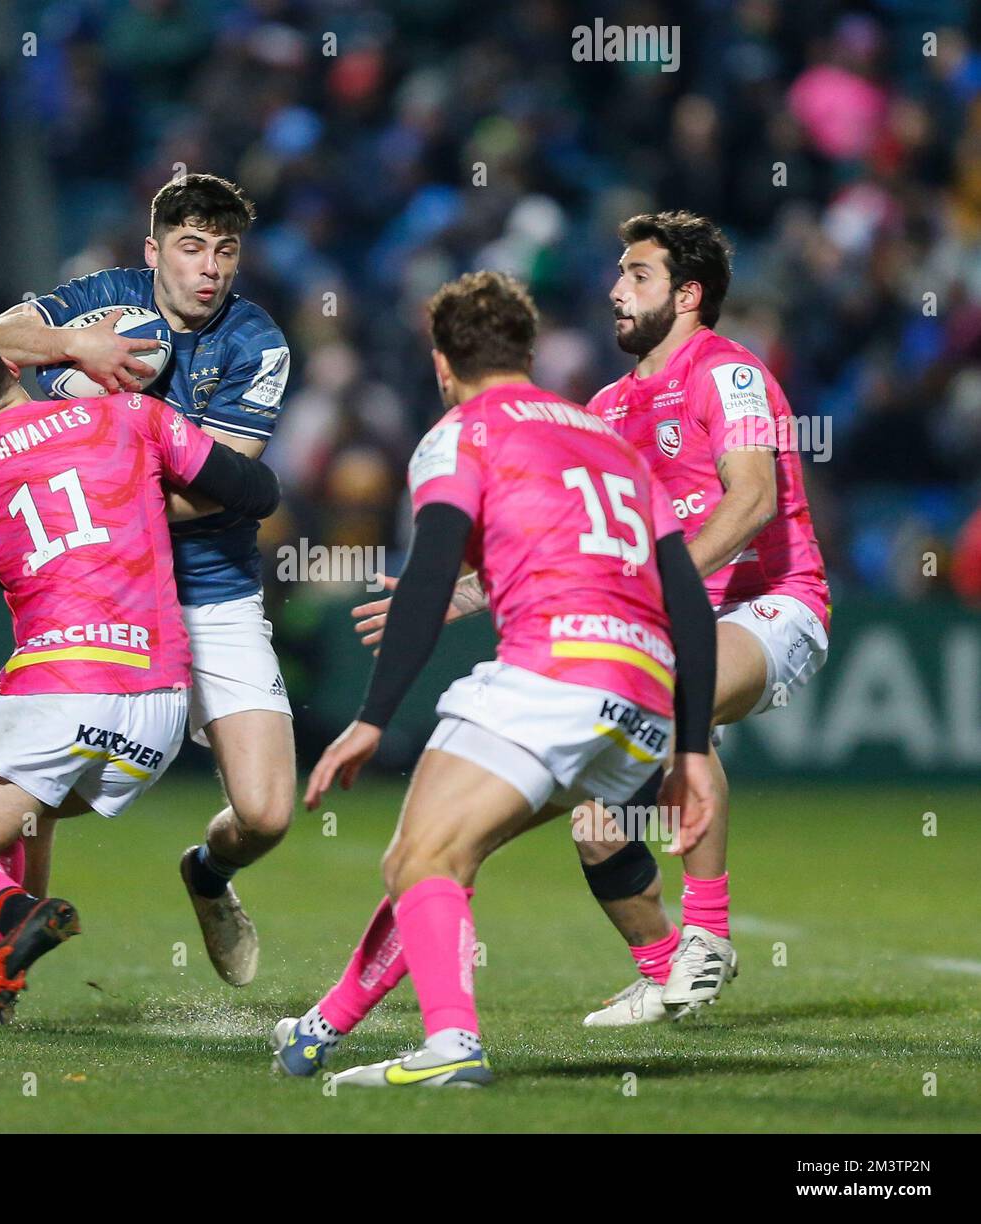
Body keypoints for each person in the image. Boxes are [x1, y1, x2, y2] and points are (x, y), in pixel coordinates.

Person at [354, 212, 832, 1026]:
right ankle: (663, 965)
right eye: (618, 272)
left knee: (681, 675)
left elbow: (752, 500)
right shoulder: (608, 404)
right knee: (596, 819)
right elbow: (567, 534)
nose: (616, 289)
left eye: (637, 275)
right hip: (674, 616)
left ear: (687, 294)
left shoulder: (730, 373)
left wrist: (655, 582)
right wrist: (468, 589)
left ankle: (709, 935)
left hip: (771, 604)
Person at [275, 271, 717, 1087]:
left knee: (422, 858)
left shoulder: (461, 433)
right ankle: (322, 1026)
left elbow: (432, 570)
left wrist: (373, 716)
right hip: (643, 697)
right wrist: (690, 747)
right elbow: (687, 597)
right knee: (440, 854)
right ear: (528, 350)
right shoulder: (606, 438)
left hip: (553, 678)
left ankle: (452, 1047)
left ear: (443, 362)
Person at [0, 325, 280, 1027]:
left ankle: (23, 913)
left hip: (62, 684)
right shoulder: (130, 416)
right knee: (27, 813)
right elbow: (256, 491)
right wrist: (143, 480)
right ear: (12, 367)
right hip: (157, 704)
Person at [0, 173, 293, 988]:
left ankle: (208, 874)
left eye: (225, 251)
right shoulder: (103, 297)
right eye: (191, 249)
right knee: (30, 796)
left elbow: (227, 482)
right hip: (104, 593)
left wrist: (101, 494)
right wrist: (77, 346)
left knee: (266, 813)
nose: (209, 269)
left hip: (214, 591)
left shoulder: (257, 342)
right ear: (154, 251)